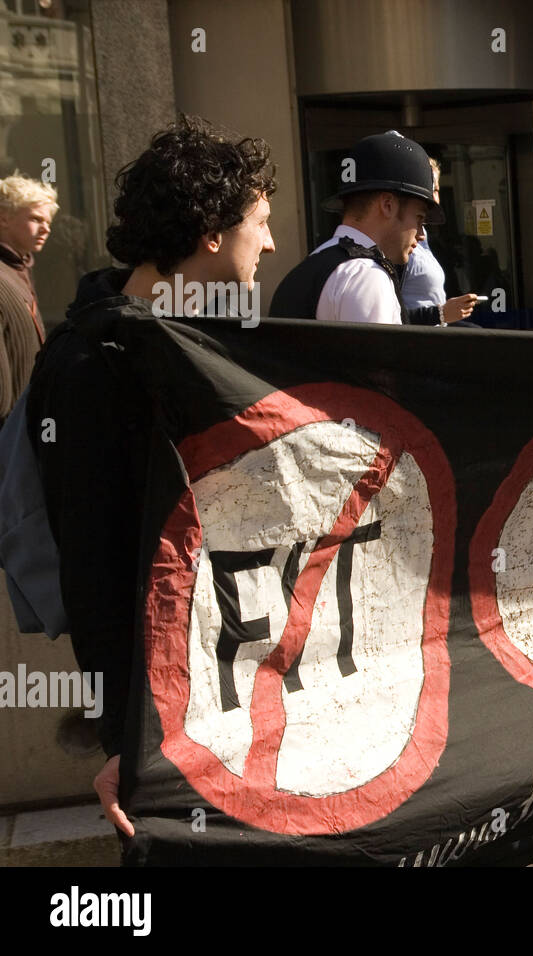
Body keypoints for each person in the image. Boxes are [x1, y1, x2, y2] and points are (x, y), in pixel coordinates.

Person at [26, 115, 277, 840]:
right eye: (258, 223)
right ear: (210, 232)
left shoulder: (195, 339)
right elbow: (95, 565)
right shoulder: (91, 366)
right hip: (168, 730)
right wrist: (125, 743)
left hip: (230, 697)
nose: (268, 242)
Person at [269, 131, 465, 327]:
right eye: (419, 218)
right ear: (387, 205)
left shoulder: (310, 266)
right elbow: (380, 357)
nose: (422, 235)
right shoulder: (368, 275)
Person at [0, 173, 57, 420]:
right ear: (3, 218)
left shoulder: (20, 269)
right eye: (35, 219)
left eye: (48, 221)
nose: (46, 228)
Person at [399, 157, 477, 324]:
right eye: (432, 190)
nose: (436, 198)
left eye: (436, 190)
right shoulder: (397, 245)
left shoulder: (427, 240)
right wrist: (441, 314)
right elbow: (390, 316)